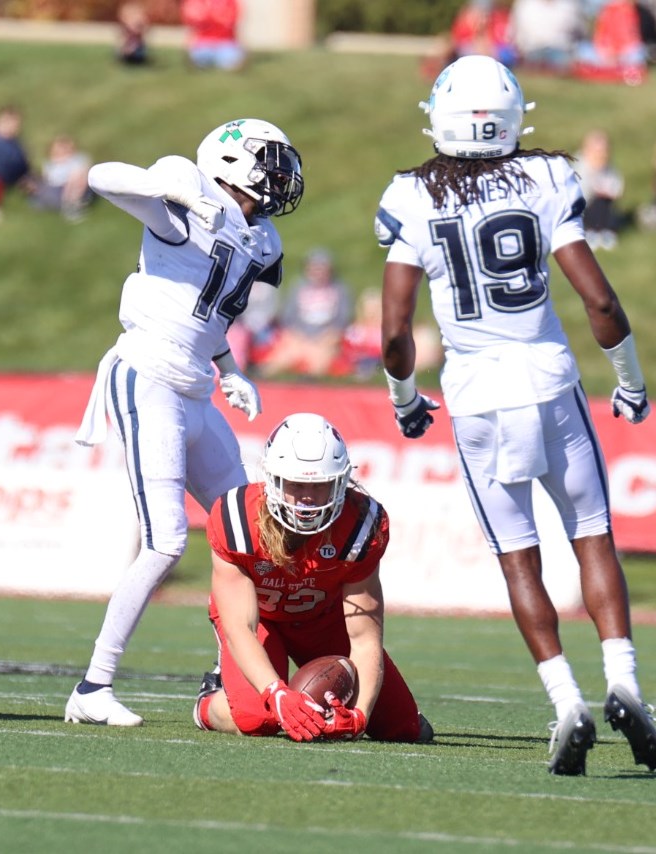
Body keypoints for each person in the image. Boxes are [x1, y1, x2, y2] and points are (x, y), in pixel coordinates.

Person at [375, 56, 656, 777]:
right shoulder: (544, 177)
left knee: (518, 557)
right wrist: (629, 381)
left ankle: (565, 700)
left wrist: (405, 400)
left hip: (476, 396)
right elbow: (599, 301)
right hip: (549, 381)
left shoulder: (411, 195)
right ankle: (625, 684)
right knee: (593, 538)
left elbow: (394, 327)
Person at [66, 118, 303, 726]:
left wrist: (231, 370)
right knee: (168, 540)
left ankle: (240, 671)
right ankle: (93, 687)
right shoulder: (185, 206)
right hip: (146, 374)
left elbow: (210, 310)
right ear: (230, 163)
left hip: (197, 387)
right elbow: (98, 177)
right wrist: (170, 190)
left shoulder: (259, 237)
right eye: (269, 161)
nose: (282, 175)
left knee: (254, 532)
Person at [193, 413, 431, 743]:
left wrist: (359, 716)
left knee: (402, 729)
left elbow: (364, 638)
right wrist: (275, 692)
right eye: (296, 484)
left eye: (320, 486)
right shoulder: (237, 519)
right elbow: (240, 628)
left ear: (341, 482)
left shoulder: (360, 525)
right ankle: (209, 703)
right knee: (257, 719)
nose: (307, 498)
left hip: (323, 621)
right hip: (260, 620)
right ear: (273, 480)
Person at [258, 248, 352, 377]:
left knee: (320, 355)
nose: (318, 271)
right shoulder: (298, 287)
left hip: (326, 339)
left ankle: (310, 380)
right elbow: (288, 318)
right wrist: (297, 337)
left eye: (322, 268)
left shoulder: (340, 289)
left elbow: (342, 320)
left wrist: (328, 337)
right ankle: (262, 377)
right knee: (284, 354)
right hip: (299, 337)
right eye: (314, 267)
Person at [577, 129, 624, 251]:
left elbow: (617, 187)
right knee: (596, 205)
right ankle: (590, 231)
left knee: (605, 206)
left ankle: (606, 231)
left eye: (604, 151)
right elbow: (580, 193)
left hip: (604, 206)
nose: (600, 155)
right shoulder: (580, 168)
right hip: (585, 208)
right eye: (596, 151)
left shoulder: (609, 169)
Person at [28, 134, 92, 223]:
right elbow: (51, 178)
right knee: (74, 176)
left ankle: (71, 204)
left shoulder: (79, 158)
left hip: (79, 186)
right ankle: (70, 205)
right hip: (58, 189)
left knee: (76, 175)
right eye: (60, 147)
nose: (63, 150)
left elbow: (86, 170)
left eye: (65, 147)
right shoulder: (50, 164)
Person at [510, 0, 584, 74]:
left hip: (560, 50)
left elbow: (579, 32)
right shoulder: (525, 4)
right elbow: (514, 32)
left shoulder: (569, 5)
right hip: (531, 50)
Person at [182, 0, 244, 71]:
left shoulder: (229, 2)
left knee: (230, 62)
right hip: (203, 43)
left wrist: (240, 47)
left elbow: (234, 26)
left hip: (225, 43)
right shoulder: (196, 2)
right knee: (200, 61)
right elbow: (192, 28)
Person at [450, 0, 517, 67]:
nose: (483, 18)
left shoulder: (498, 20)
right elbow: (456, 41)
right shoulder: (466, 22)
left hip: (496, 55)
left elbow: (501, 50)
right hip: (470, 52)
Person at [117, 1, 151, 66]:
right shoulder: (126, 31)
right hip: (126, 49)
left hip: (137, 50)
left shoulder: (139, 31)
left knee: (138, 54)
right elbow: (122, 41)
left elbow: (143, 30)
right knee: (126, 52)